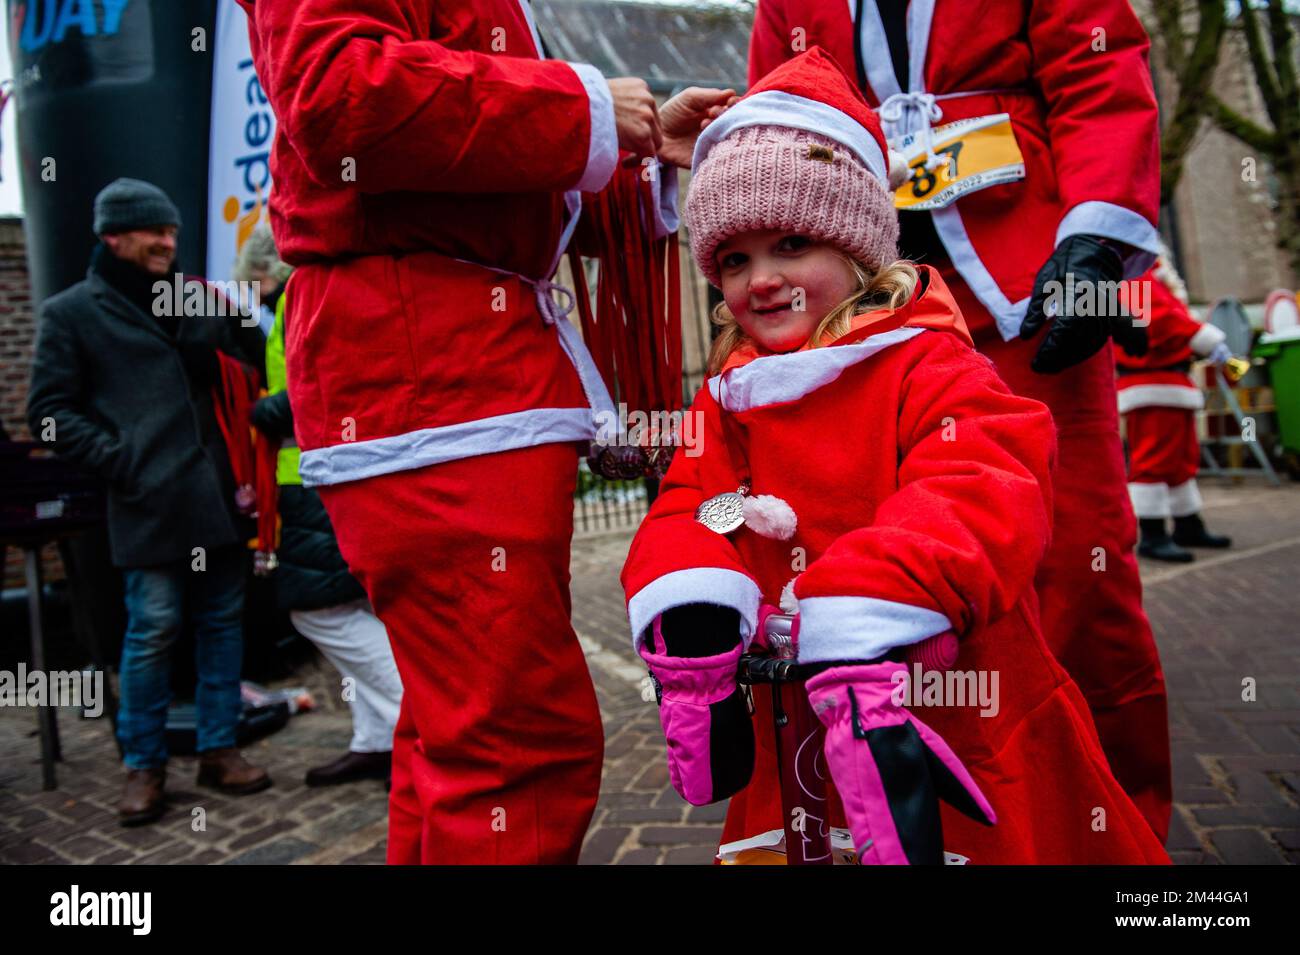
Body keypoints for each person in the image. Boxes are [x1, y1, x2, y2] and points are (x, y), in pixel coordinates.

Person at [622, 49, 1169, 864]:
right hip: (809, 715)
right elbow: (706, 500)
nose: (761, 280)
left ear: (858, 250)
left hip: (957, 704)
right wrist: (696, 583)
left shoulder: (926, 363)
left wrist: (870, 597)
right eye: (734, 259)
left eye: (792, 243)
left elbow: (978, 483)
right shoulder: (732, 394)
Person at [236, 0, 733, 862]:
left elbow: (473, 183)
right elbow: (339, 94)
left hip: (446, 377)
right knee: (517, 747)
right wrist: (578, 111)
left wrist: (633, 143)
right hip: (438, 383)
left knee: (453, 730)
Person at [26, 178, 271, 827]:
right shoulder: (71, 312)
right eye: (155, 232)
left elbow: (258, 348)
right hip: (147, 503)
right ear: (115, 236)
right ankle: (145, 763)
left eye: (173, 232)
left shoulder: (194, 296)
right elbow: (48, 414)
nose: (169, 241)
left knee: (222, 626)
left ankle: (219, 749)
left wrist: (240, 334)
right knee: (153, 630)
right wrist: (120, 459)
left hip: (216, 498)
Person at [245, 225, 403, 786]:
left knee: (319, 609)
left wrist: (264, 412)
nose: (254, 291)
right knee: (352, 606)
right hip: (324, 473)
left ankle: (412, 723)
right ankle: (378, 739)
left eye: (255, 280)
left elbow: (326, 377)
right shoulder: (317, 286)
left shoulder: (302, 292)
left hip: (315, 475)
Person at [1118, 255, 1234, 562]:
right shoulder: (1132, 270)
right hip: (1151, 381)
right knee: (1153, 460)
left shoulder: (1149, 272)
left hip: (1170, 380)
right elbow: (1158, 319)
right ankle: (1153, 534)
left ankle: (1187, 524)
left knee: (1182, 459)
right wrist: (1203, 338)